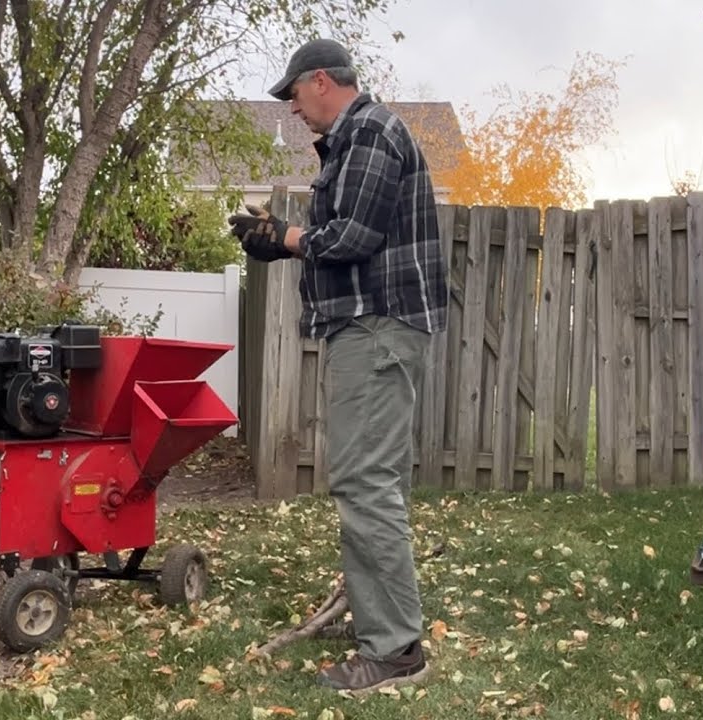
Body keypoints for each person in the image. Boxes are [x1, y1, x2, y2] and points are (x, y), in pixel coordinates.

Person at [227, 37, 448, 694]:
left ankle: (395, 650)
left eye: (293, 95)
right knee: (371, 480)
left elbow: (353, 236)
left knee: (364, 483)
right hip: (371, 328)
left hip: (378, 329)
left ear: (321, 80)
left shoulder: (372, 132)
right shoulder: (358, 139)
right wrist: (284, 234)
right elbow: (348, 226)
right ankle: (378, 613)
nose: (293, 110)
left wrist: (282, 236)